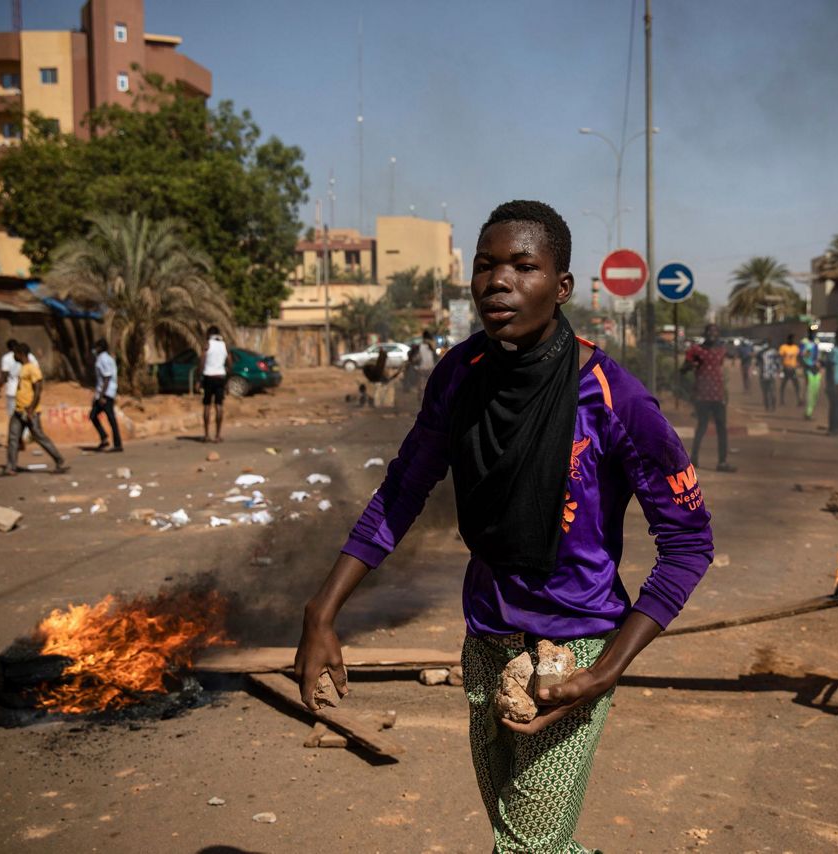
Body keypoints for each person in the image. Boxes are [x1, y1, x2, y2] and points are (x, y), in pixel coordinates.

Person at [294, 200, 713, 854]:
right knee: (526, 842)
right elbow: (404, 487)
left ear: (561, 286)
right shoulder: (460, 377)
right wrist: (323, 610)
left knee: (524, 850)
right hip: (486, 640)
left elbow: (689, 543)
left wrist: (604, 670)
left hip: (574, 647)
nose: (498, 281)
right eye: (486, 266)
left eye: (523, 266)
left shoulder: (614, 399)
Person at [4, 342, 67, 475]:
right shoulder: (22, 368)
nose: (14, 356)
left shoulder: (32, 368)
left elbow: (38, 389)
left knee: (39, 436)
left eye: (15, 353)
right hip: (19, 410)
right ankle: (11, 467)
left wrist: (31, 408)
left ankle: (59, 460)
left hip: (30, 411)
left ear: (20, 354)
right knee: (13, 437)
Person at [684, 323, 736, 472]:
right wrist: (694, 364)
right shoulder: (696, 350)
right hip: (702, 395)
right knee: (702, 427)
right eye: (710, 332)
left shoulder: (721, 350)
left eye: (715, 332)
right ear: (705, 333)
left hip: (718, 395)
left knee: (722, 429)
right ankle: (693, 459)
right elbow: (684, 368)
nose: (713, 334)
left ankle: (722, 462)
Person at [0, 338, 37, 450]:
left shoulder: (6, 358)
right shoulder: (31, 357)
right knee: (25, 415)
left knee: (14, 417)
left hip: (12, 391)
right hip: (27, 392)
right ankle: (23, 438)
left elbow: (4, 376)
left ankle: (18, 440)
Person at [200, 326, 233, 443]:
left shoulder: (207, 345)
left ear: (209, 334)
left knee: (207, 405)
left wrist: (199, 378)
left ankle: (206, 435)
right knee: (219, 405)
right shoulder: (224, 346)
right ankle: (218, 435)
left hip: (208, 377)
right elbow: (230, 363)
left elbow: (202, 361)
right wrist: (227, 375)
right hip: (220, 377)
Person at [89, 339, 123, 452]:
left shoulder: (103, 359)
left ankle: (117, 444)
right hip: (106, 392)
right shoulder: (107, 358)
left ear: (99, 348)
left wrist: (102, 396)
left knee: (110, 418)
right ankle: (104, 438)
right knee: (93, 415)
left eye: (96, 347)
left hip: (106, 393)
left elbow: (106, 377)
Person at [824, 343, 838, 436]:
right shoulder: (834, 352)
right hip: (833, 383)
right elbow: (830, 367)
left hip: (836, 383)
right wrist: (830, 384)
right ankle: (833, 429)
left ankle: (835, 428)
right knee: (836, 405)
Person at [800, 330, 822, 419]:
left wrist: (818, 362)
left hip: (816, 369)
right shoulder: (804, 342)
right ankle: (808, 413)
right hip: (808, 369)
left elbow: (818, 355)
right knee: (810, 391)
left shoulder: (816, 342)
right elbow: (802, 355)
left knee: (816, 392)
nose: (813, 334)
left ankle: (810, 410)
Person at [778, 333, 802, 405]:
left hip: (793, 369)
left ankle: (799, 400)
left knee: (797, 385)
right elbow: (780, 357)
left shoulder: (795, 348)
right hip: (786, 369)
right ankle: (781, 400)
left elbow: (799, 356)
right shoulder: (783, 347)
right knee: (783, 385)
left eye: (792, 339)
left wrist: (799, 364)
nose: (791, 340)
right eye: (790, 339)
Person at [758, 340, 780, 412]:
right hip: (769, 374)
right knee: (769, 391)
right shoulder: (774, 352)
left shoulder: (762, 353)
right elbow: (778, 363)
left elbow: (777, 362)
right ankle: (770, 406)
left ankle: (770, 406)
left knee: (768, 391)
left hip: (767, 374)